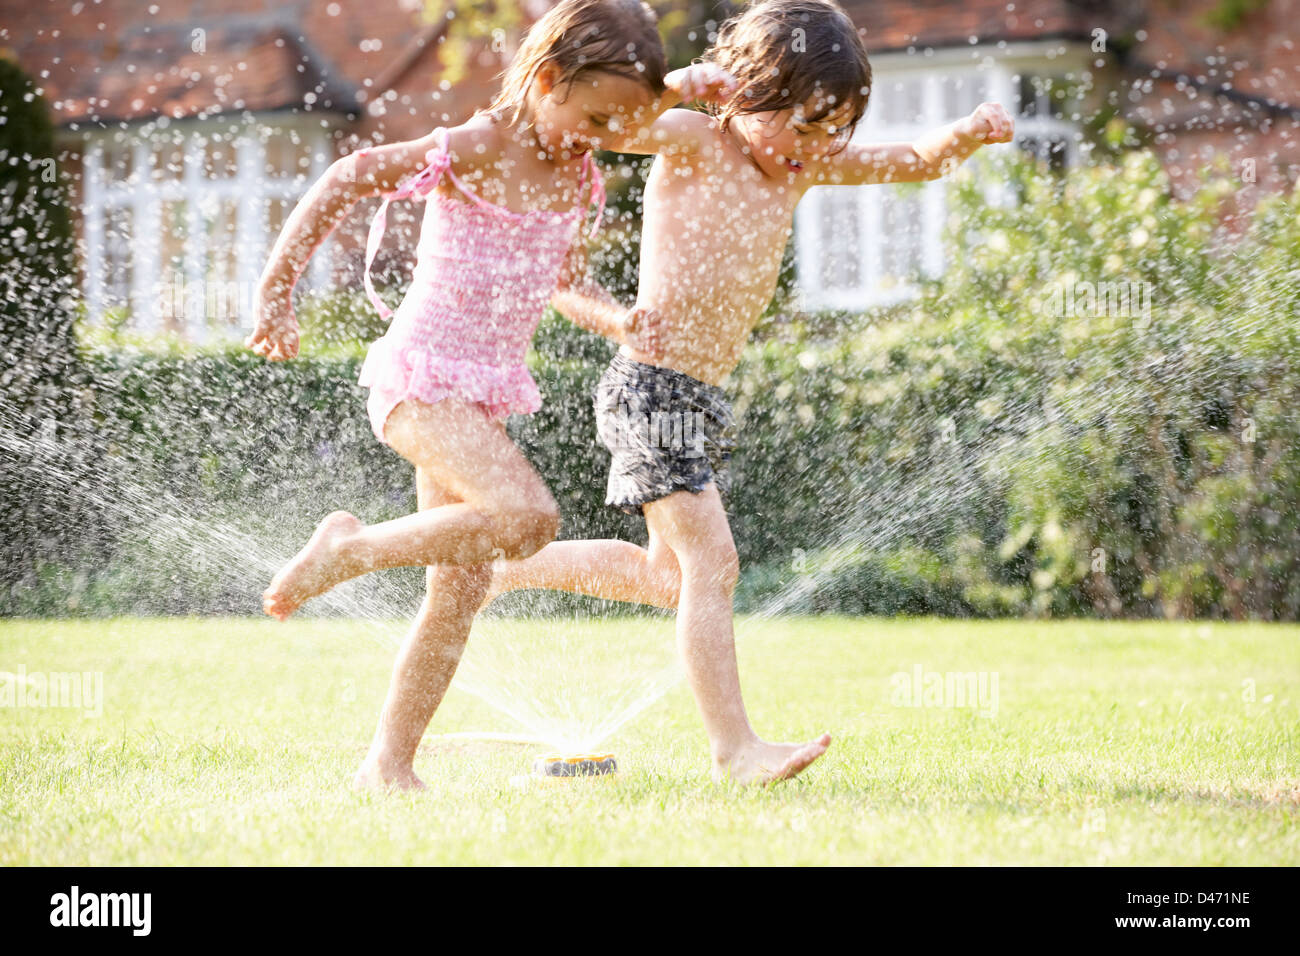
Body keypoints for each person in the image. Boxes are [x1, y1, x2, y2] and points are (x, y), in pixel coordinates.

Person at [487, 0, 1016, 784]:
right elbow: (609, 126)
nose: (819, 149)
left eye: (835, 129)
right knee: (714, 562)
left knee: (668, 576)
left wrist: (965, 136)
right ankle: (735, 750)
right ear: (740, 97)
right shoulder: (695, 139)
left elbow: (911, 159)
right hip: (649, 389)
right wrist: (673, 90)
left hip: (697, 397)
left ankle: (498, 568)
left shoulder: (805, 165)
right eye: (802, 127)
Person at [245, 0, 722, 790]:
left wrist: (617, 318)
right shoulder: (473, 147)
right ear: (544, 79)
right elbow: (346, 174)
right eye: (592, 116)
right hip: (418, 381)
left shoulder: (576, 172)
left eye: (615, 127)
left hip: (481, 396)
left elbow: (564, 280)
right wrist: (275, 290)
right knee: (529, 516)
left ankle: (387, 768)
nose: (598, 137)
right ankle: (348, 552)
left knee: (458, 593)